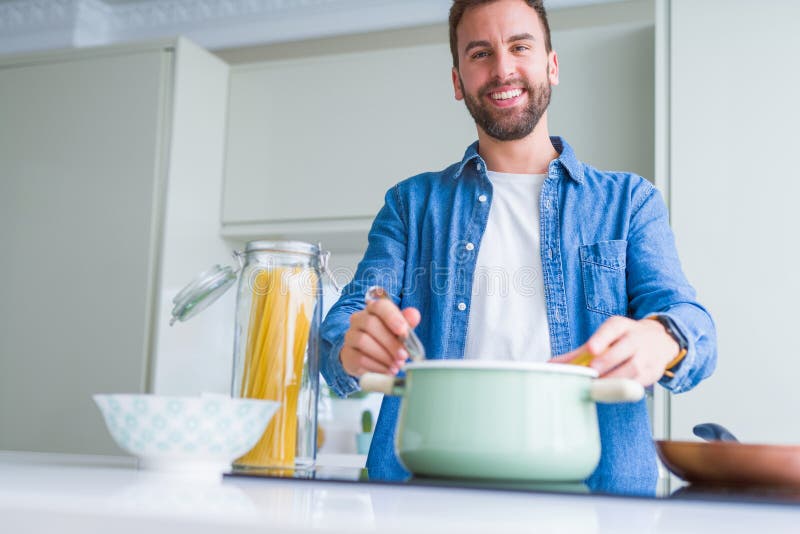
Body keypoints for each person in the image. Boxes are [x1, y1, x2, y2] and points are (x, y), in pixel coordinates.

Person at [319, 0, 716, 488]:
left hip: (599, 499)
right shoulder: (411, 204)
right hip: (426, 497)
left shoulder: (629, 201)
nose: (502, 68)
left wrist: (664, 339)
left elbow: (694, 324)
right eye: (480, 53)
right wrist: (350, 345)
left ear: (552, 64)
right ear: (457, 81)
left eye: (520, 46)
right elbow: (344, 321)